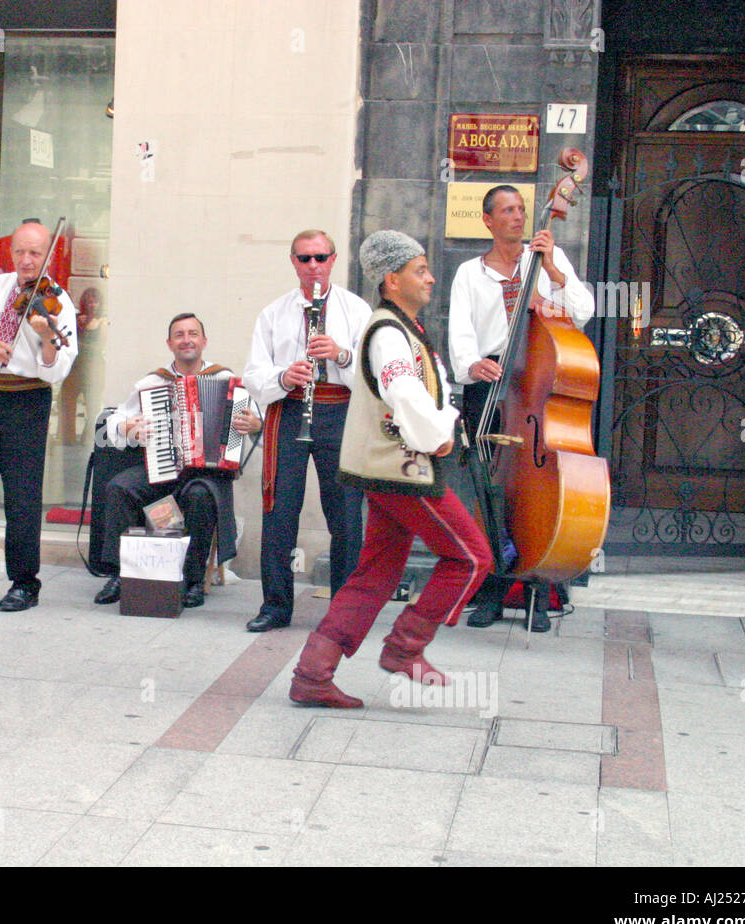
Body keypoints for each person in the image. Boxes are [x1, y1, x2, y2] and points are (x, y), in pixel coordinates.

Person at [289, 230, 493, 707]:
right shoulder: (388, 333)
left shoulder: (399, 329)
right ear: (391, 279)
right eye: (420, 271)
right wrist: (439, 436)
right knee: (471, 557)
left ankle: (312, 674)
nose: (430, 278)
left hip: (387, 471)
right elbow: (404, 394)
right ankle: (405, 649)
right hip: (403, 471)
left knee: (375, 575)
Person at [447, 184, 596, 633]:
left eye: (521, 210)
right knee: (491, 490)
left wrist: (552, 270)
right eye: (507, 210)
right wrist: (471, 365)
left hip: (536, 386)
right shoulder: (470, 273)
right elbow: (460, 331)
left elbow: (584, 312)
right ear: (488, 221)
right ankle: (492, 589)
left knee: (537, 489)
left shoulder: (548, 259)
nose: (517, 217)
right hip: (491, 385)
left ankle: (538, 593)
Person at [241, 229, 368, 633]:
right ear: (293, 262)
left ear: (333, 260)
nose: (313, 266)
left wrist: (341, 354)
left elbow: (373, 371)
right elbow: (254, 377)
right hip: (289, 411)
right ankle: (276, 606)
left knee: (345, 512)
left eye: (320, 257)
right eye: (304, 259)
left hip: (341, 411)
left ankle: (345, 612)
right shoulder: (273, 313)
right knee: (279, 509)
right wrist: (286, 375)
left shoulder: (356, 309)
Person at [0, 220, 78, 614]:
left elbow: (59, 367)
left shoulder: (58, 301)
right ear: (11, 252)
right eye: (20, 252)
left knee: (23, 497)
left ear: (48, 256)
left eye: (35, 253)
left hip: (27, 400)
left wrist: (44, 338)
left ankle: (25, 583)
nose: (26, 260)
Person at [93, 312, 262, 608]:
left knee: (199, 496)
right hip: (163, 467)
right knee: (119, 487)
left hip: (206, 474)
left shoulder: (225, 379)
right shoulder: (153, 381)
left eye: (193, 333)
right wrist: (127, 426)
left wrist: (254, 425)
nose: (187, 340)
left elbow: (256, 418)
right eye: (180, 335)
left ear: (204, 341)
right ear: (170, 343)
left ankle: (193, 580)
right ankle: (123, 574)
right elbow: (116, 419)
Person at [58, 286, 107, 446]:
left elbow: (102, 344)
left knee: (93, 406)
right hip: (75, 367)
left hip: (94, 366)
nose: (93, 305)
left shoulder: (103, 322)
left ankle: (88, 439)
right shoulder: (75, 318)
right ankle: (67, 439)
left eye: (96, 302)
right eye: (90, 301)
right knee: (66, 401)